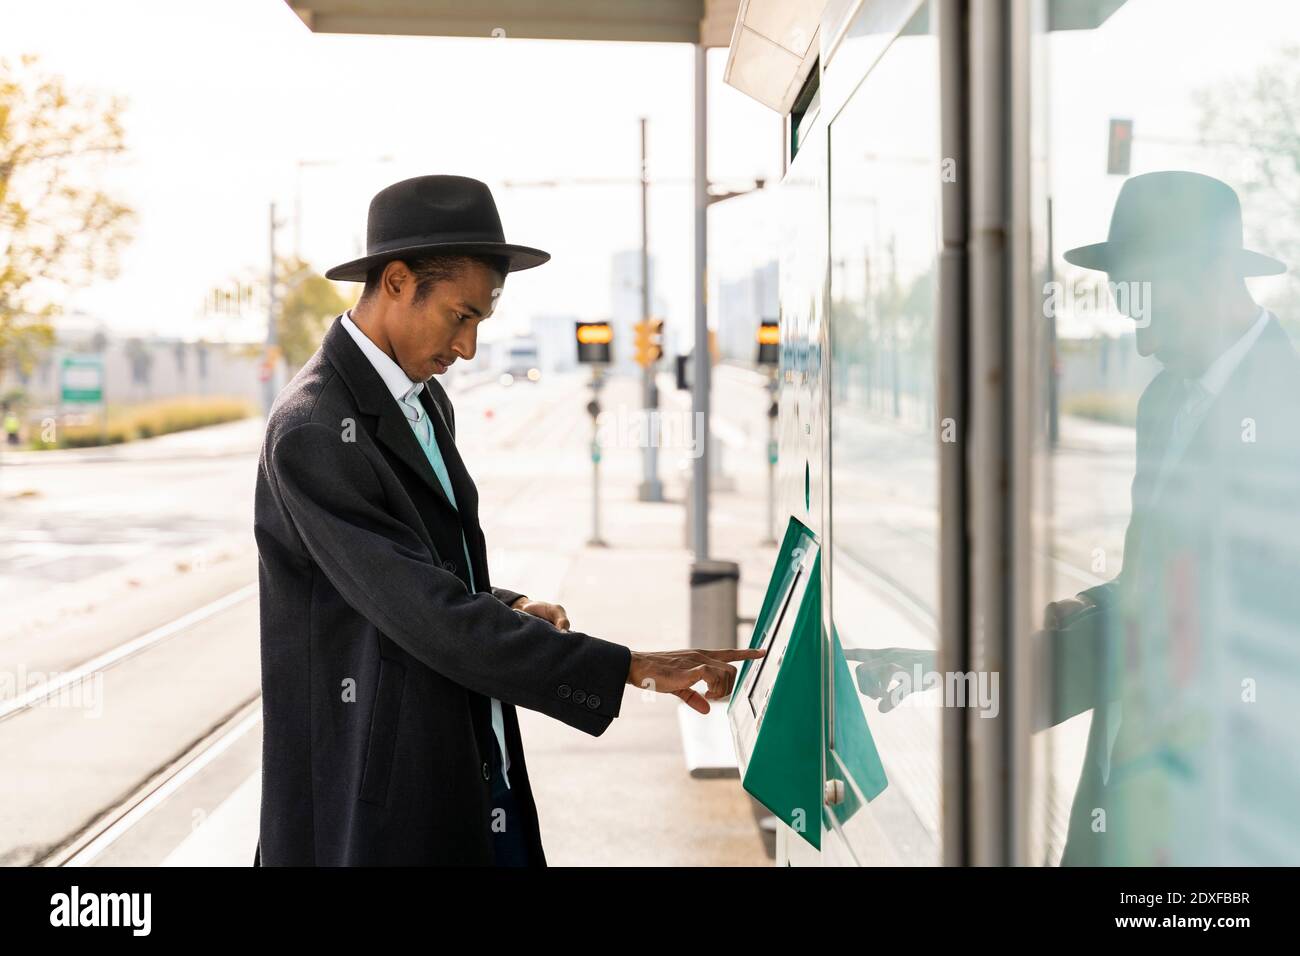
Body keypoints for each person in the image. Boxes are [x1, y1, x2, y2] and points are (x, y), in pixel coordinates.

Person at [253, 175, 761, 866]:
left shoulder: (422, 400)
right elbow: (423, 612)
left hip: (468, 766)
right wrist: (628, 667)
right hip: (378, 810)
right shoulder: (314, 428)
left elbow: (414, 570)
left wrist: (510, 605)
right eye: (460, 316)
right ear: (397, 282)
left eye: (480, 323)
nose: (467, 347)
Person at [1044, 171, 1299, 864]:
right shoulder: (1163, 404)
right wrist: (1083, 610)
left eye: (1151, 308)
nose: (1143, 344)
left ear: (1215, 275)